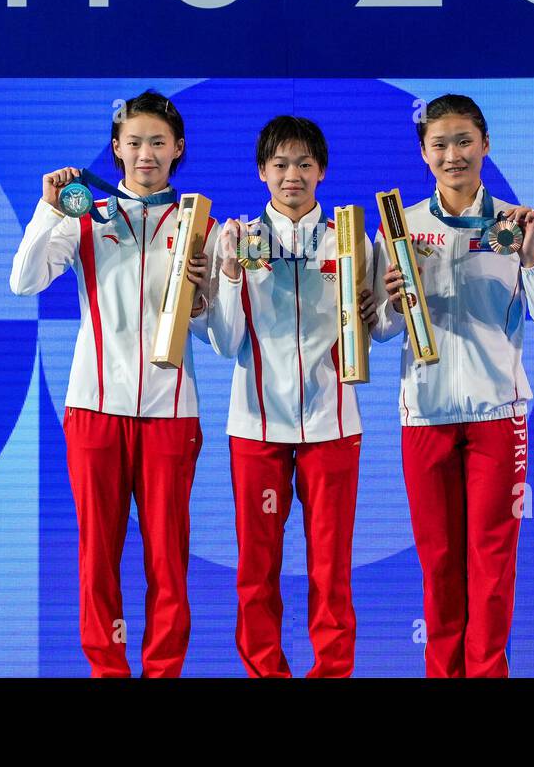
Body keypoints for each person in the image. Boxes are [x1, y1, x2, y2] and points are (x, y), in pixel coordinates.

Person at [9, 90, 218, 677]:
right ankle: (106, 668)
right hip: (94, 409)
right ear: (117, 150)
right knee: (98, 554)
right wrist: (49, 210)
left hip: (172, 413)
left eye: (158, 142)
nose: (145, 153)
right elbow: (24, 282)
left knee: (168, 558)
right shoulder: (87, 216)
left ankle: (164, 670)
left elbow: (214, 331)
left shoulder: (201, 224)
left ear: (178, 149)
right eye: (134, 143)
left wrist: (204, 297)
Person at [370, 93, 534, 677]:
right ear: (424, 154)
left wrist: (531, 261)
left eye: (464, 141)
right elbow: (381, 331)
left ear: (485, 145)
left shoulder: (521, 222)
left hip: (495, 418)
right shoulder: (400, 225)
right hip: (425, 415)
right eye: (440, 145)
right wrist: (391, 296)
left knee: (491, 562)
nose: (453, 155)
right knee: (439, 563)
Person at [207, 116, 379, 677]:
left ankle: (333, 671)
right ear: (262, 172)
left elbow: (378, 331)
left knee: (331, 569)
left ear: (322, 171)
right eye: (280, 164)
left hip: (333, 428)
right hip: (256, 429)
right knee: (257, 569)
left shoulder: (352, 240)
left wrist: (393, 309)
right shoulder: (232, 238)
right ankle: (263, 671)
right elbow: (226, 341)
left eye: (304, 163)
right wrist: (230, 276)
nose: (292, 175)